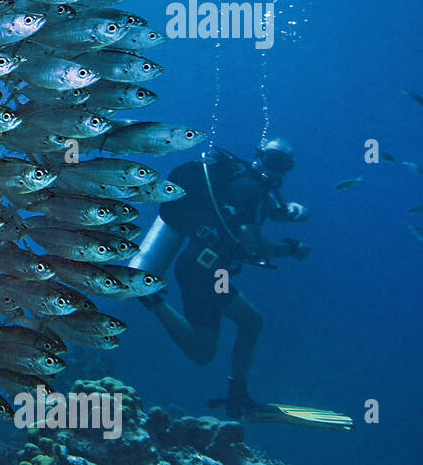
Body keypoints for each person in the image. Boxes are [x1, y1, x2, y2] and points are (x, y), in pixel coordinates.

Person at [131, 138, 352, 430]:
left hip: (208, 269)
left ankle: (236, 395)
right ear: (259, 156)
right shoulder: (248, 187)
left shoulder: (250, 185)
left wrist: (288, 213)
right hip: (204, 270)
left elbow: (254, 213)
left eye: (284, 164)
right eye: (273, 159)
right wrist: (290, 248)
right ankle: (237, 396)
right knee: (249, 323)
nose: (277, 168)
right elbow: (253, 242)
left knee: (204, 351)